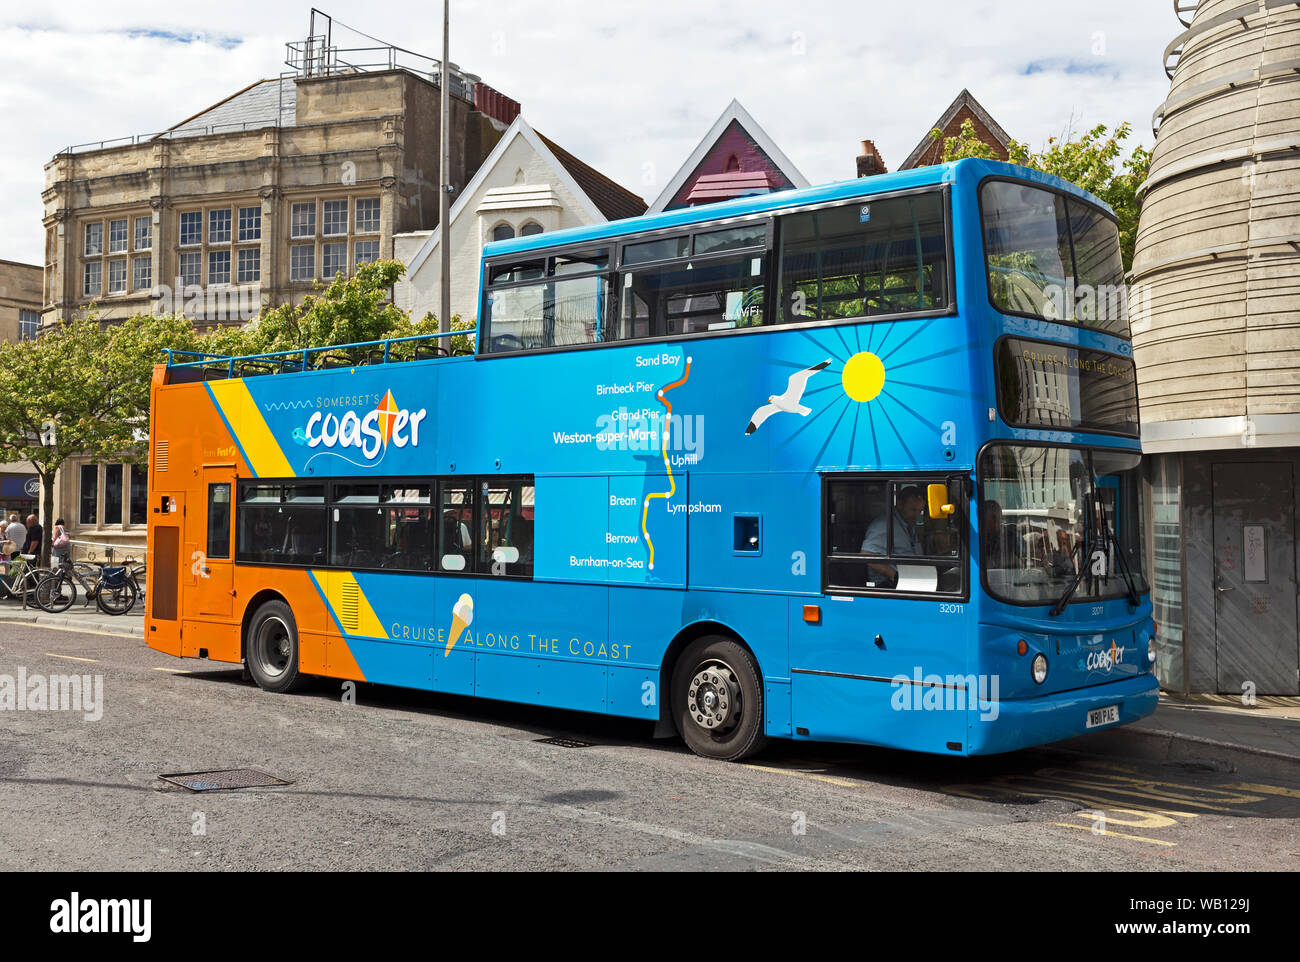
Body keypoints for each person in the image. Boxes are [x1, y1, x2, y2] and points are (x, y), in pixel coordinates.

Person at [861, 486, 926, 587]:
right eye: (913, 510)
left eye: (920, 511)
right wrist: (895, 576)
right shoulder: (885, 524)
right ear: (899, 504)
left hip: (911, 579)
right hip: (888, 584)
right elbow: (866, 555)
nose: (917, 515)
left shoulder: (907, 522)